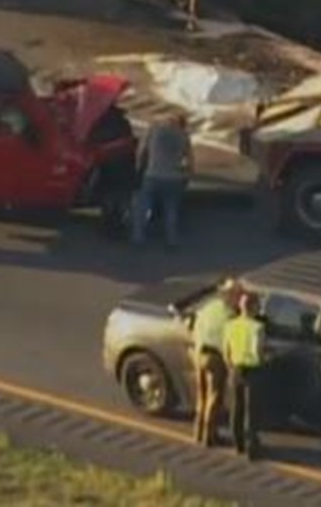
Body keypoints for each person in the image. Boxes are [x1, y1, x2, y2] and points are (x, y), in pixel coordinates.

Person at [186, 278, 239, 448]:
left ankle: (197, 432)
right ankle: (209, 436)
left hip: (199, 353)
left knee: (201, 396)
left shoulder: (208, 308)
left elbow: (193, 326)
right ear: (231, 296)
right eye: (237, 294)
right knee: (214, 397)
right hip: (215, 357)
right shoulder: (230, 315)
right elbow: (229, 342)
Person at [130, 112, 192, 248]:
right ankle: (171, 240)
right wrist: (188, 175)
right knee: (171, 208)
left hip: (153, 174)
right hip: (174, 177)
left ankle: (138, 237)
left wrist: (138, 167)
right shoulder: (183, 135)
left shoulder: (154, 130)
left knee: (144, 205)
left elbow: (142, 151)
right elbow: (189, 160)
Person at [222, 289, 267, 461]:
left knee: (236, 408)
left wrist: (231, 366)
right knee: (251, 410)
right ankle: (252, 447)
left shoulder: (230, 325)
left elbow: (226, 351)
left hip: (235, 368)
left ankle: (237, 443)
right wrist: (263, 361)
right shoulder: (258, 327)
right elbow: (258, 352)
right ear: (253, 307)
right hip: (252, 370)